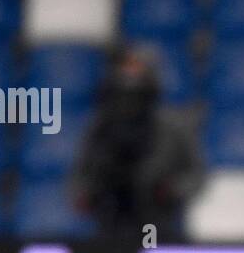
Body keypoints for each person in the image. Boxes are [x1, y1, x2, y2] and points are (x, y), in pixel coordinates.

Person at [73, 46, 203, 238]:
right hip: (111, 224)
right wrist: (88, 194)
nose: (130, 82)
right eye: (125, 72)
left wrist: (169, 190)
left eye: (137, 72)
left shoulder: (173, 127)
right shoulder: (101, 128)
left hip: (157, 224)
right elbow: (80, 176)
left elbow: (196, 176)